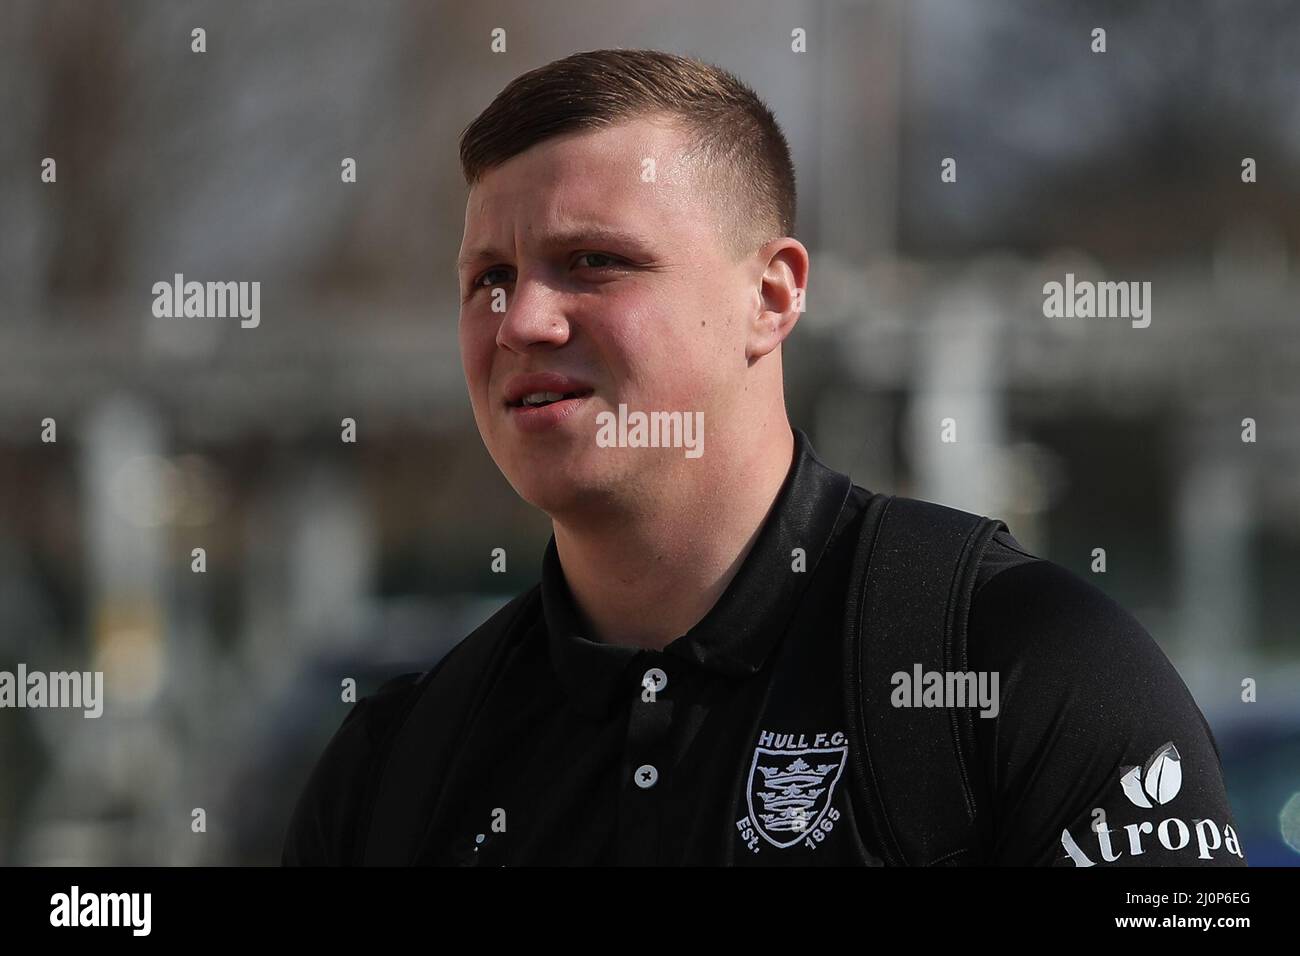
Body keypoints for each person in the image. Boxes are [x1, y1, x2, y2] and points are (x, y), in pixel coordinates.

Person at [283, 49, 1246, 866]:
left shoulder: (1019, 668)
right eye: (489, 278)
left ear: (773, 296)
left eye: (594, 263)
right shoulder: (399, 770)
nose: (523, 320)